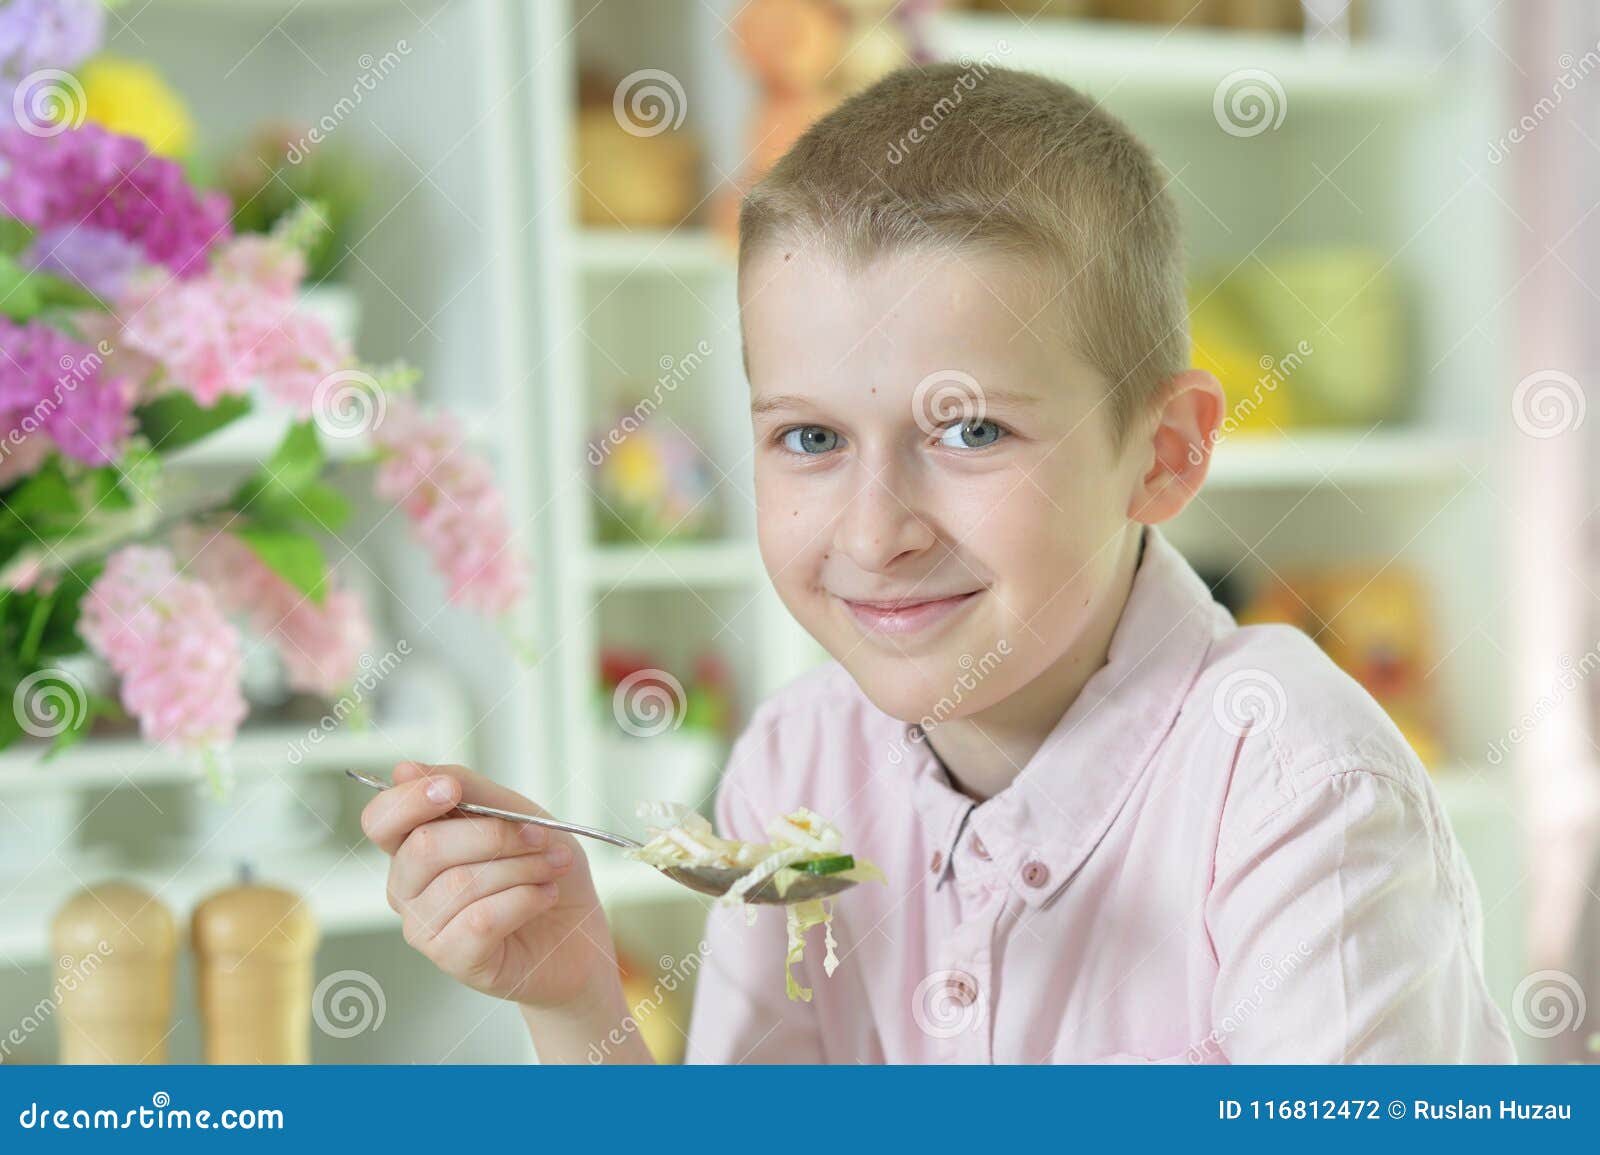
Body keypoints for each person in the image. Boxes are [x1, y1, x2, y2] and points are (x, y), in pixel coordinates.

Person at [360, 63, 1515, 1064]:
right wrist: (575, 997)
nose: (873, 534)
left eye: (970, 433)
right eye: (809, 439)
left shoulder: (1288, 781)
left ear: (1161, 455)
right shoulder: (798, 761)